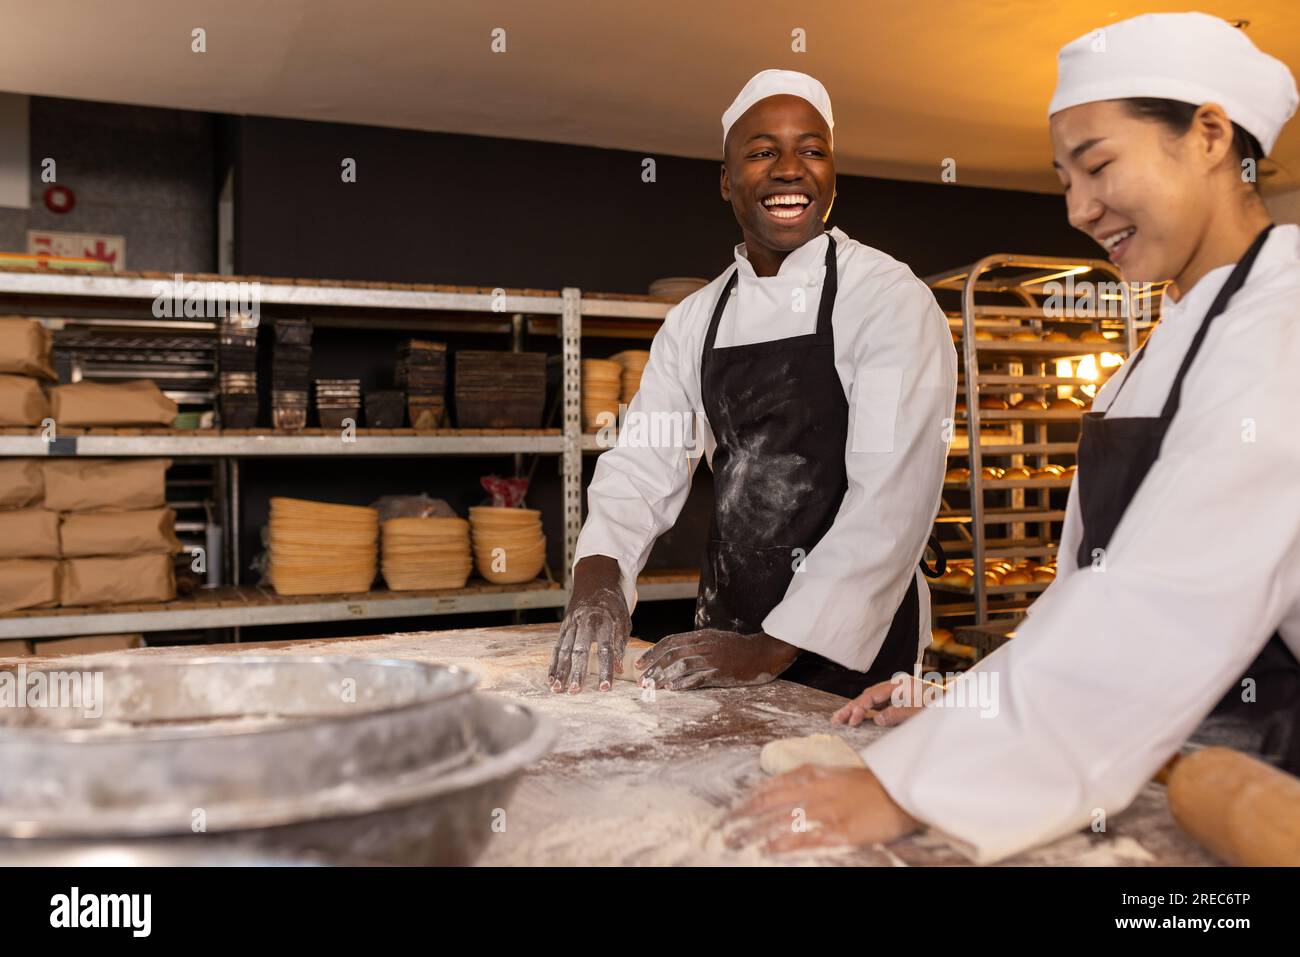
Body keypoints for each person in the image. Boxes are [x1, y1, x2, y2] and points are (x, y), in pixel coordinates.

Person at [734, 12, 1300, 862]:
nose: (1078, 208)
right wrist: (971, 704)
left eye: (1099, 164)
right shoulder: (1155, 355)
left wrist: (911, 783)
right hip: (1164, 769)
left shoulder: (1281, 328)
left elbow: (1156, 606)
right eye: (1064, 178)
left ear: (1211, 135)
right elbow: (1090, 594)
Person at [548, 69, 956, 696]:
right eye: (763, 151)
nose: (790, 168)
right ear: (726, 180)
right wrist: (599, 580)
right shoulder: (695, 320)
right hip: (728, 632)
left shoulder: (888, 300)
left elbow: (891, 500)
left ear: (833, 178)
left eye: (812, 151)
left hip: (854, 646)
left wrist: (770, 649)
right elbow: (641, 463)